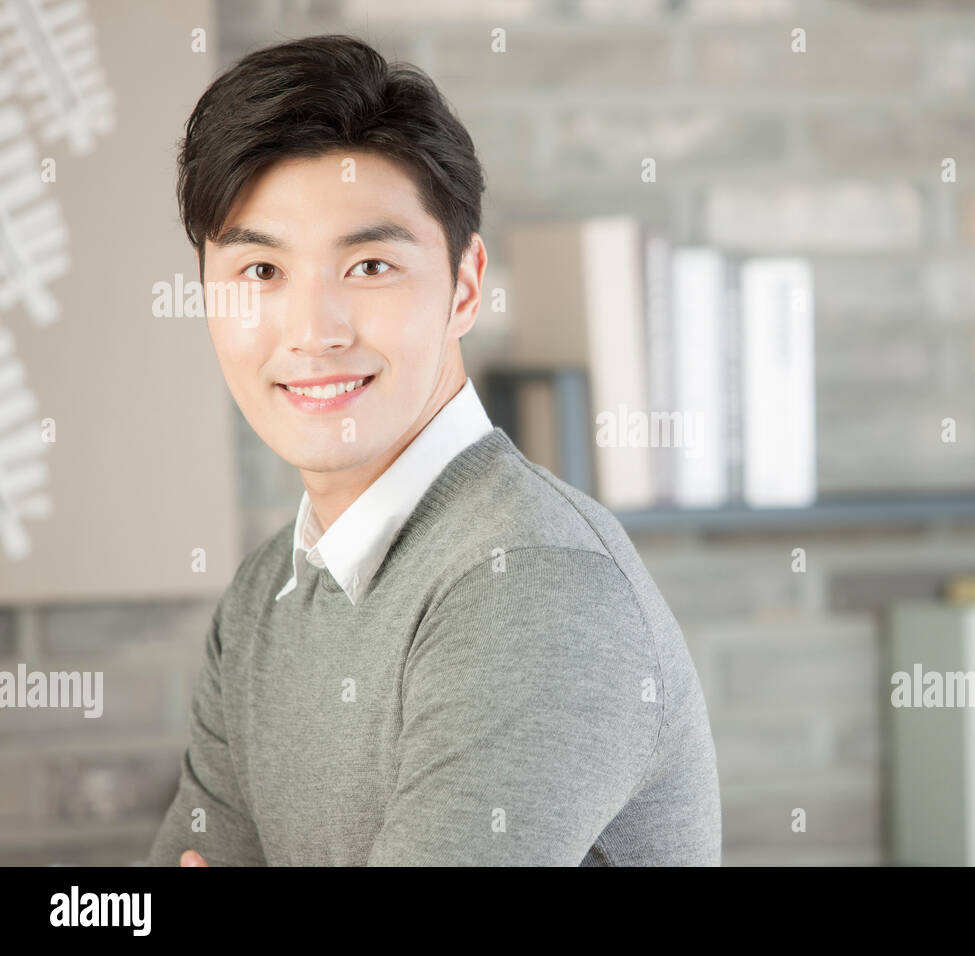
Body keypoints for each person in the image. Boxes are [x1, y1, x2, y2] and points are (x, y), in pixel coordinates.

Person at [145, 34, 720, 866]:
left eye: (371, 265)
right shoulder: (264, 596)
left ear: (464, 285)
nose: (314, 333)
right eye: (261, 273)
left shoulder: (531, 582)